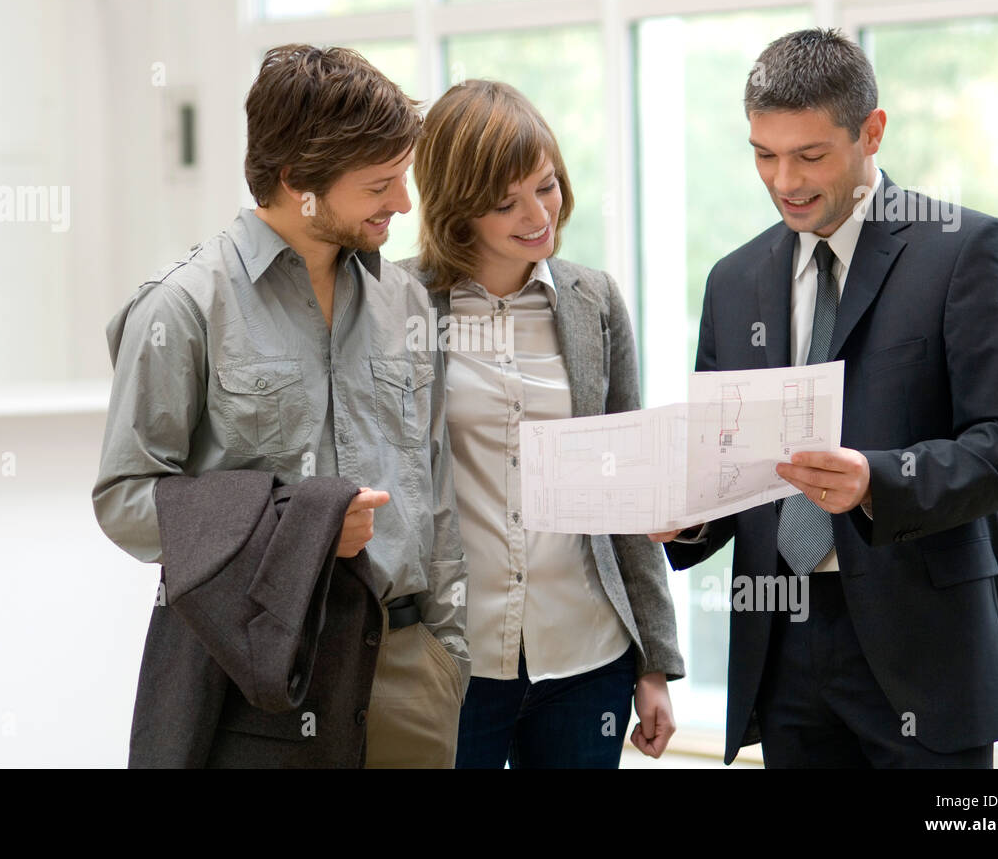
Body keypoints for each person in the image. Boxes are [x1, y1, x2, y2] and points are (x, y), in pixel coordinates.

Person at [651, 28, 998, 768]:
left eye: (809, 155)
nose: (784, 181)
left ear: (873, 131)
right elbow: (728, 460)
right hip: (783, 643)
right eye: (764, 154)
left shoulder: (967, 252)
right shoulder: (733, 282)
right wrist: (686, 519)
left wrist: (877, 480)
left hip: (923, 646)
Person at [93, 44, 468, 768]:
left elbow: (435, 488)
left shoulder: (405, 301)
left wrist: (447, 652)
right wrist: (301, 524)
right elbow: (125, 501)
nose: (403, 203)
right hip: (261, 679)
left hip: (409, 676)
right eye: (380, 184)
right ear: (299, 182)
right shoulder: (182, 308)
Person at [398, 80, 684, 769]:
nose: (538, 215)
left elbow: (628, 493)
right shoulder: (395, 302)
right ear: (458, 208)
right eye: (506, 202)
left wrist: (653, 663)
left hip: (587, 654)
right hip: (453, 657)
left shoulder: (597, 302)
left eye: (547, 186)